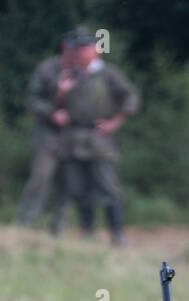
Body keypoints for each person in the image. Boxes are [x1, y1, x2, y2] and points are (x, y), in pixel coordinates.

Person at [55, 27, 139, 245]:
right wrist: (61, 96)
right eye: (78, 49)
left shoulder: (107, 73)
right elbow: (50, 105)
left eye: (85, 48)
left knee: (108, 186)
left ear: (96, 50)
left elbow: (130, 97)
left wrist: (116, 121)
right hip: (72, 138)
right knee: (78, 188)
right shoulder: (67, 74)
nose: (80, 53)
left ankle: (117, 233)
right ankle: (87, 232)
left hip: (99, 138)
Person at [17, 34, 76, 231]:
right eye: (71, 47)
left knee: (68, 181)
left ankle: (60, 226)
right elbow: (32, 100)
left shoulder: (84, 72)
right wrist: (52, 113)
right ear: (64, 47)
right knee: (40, 177)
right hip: (47, 133)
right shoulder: (47, 69)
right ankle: (26, 222)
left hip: (74, 134)